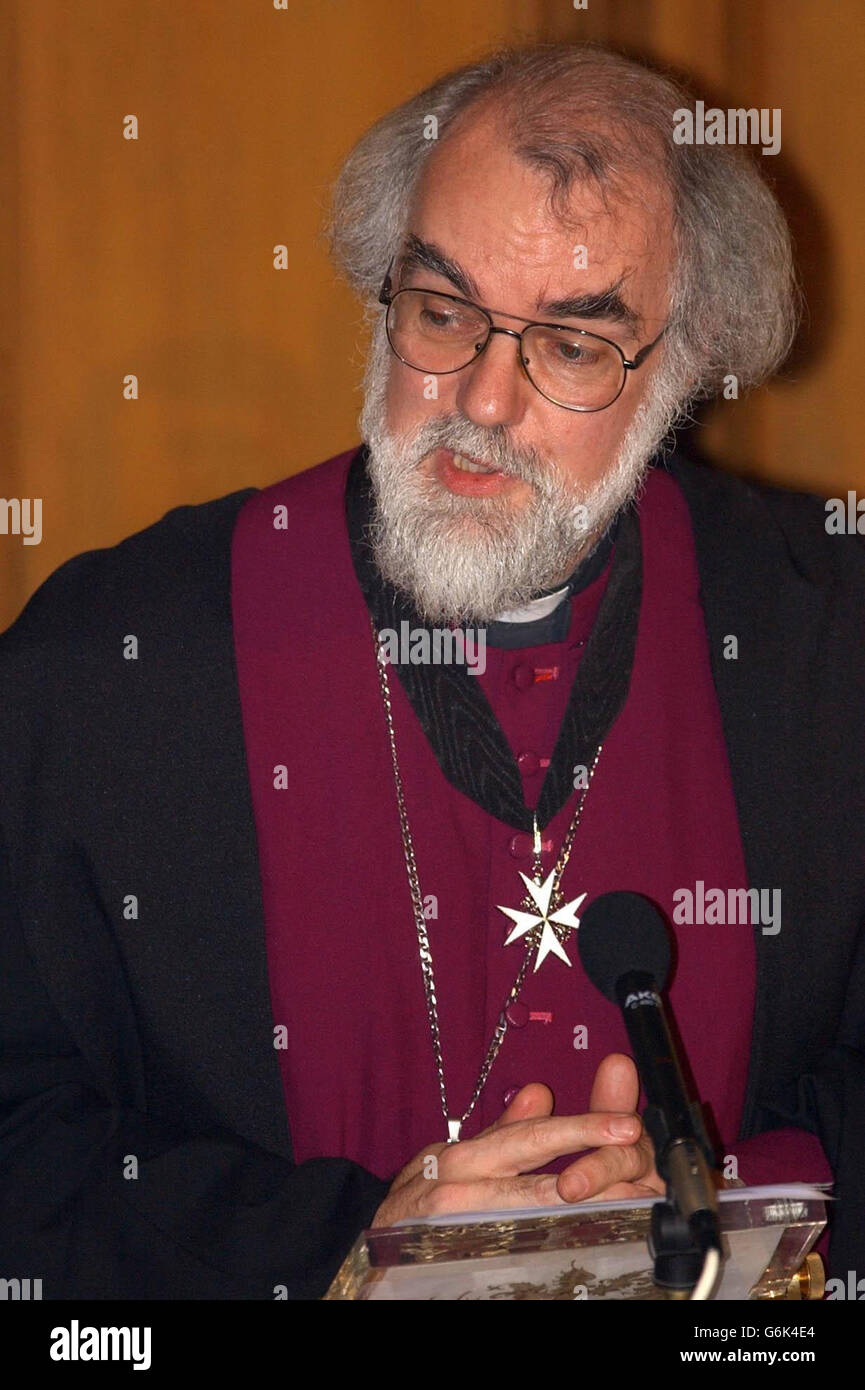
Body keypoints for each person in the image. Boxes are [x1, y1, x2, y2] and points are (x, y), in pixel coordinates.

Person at [1, 42, 863, 1301]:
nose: (480, 400)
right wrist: (337, 1257)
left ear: (680, 368)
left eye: (572, 345)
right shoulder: (112, 665)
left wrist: (742, 1228)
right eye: (443, 311)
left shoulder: (823, 646)